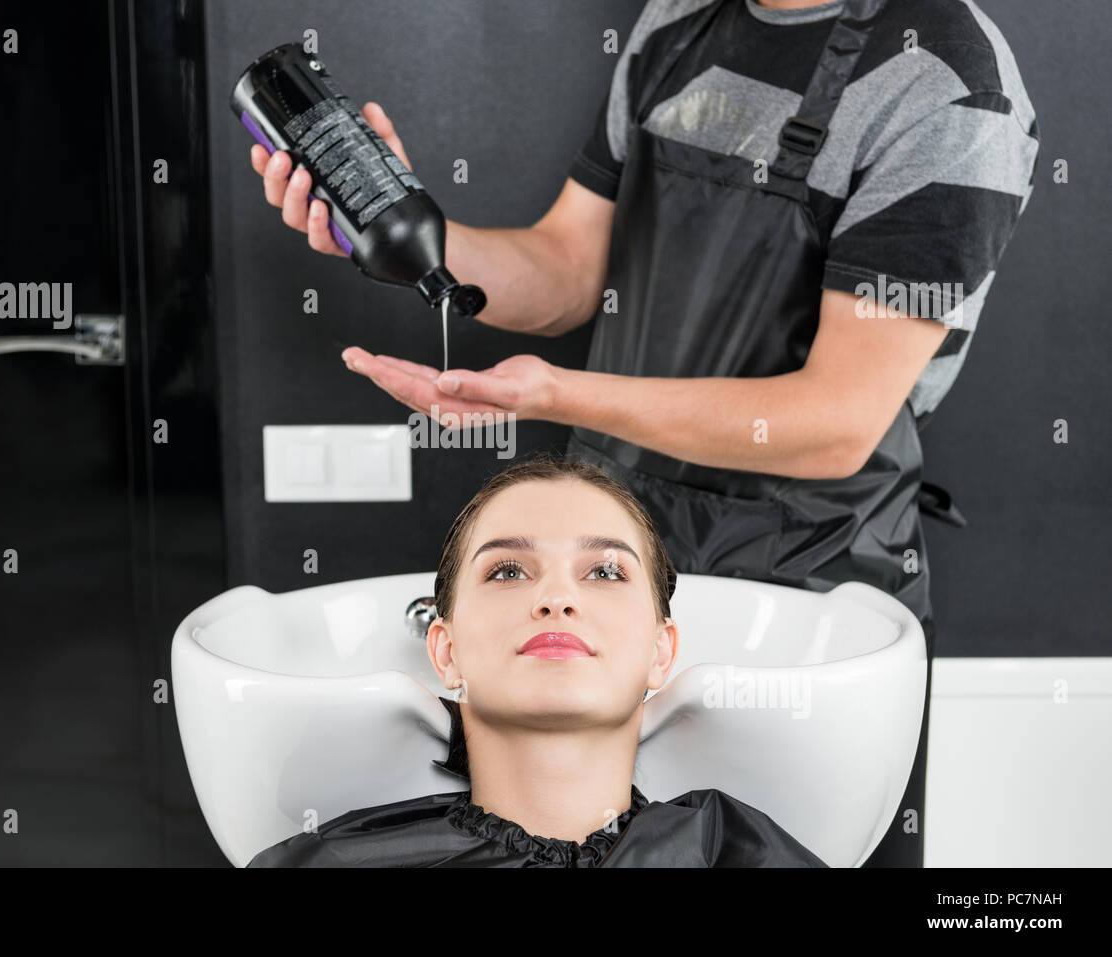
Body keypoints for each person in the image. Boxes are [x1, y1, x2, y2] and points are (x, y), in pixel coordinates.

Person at [250, 0, 1040, 866]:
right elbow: (568, 269)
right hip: (615, 569)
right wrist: (412, 239)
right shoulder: (679, 20)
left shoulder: (949, 82)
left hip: (803, 589)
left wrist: (557, 394)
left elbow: (834, 420)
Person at [247, 456, 827, 867]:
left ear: (661, 651)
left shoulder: (732, 852)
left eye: (604, 572)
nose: (556, 598)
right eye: (507, 571)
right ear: (447, 652)